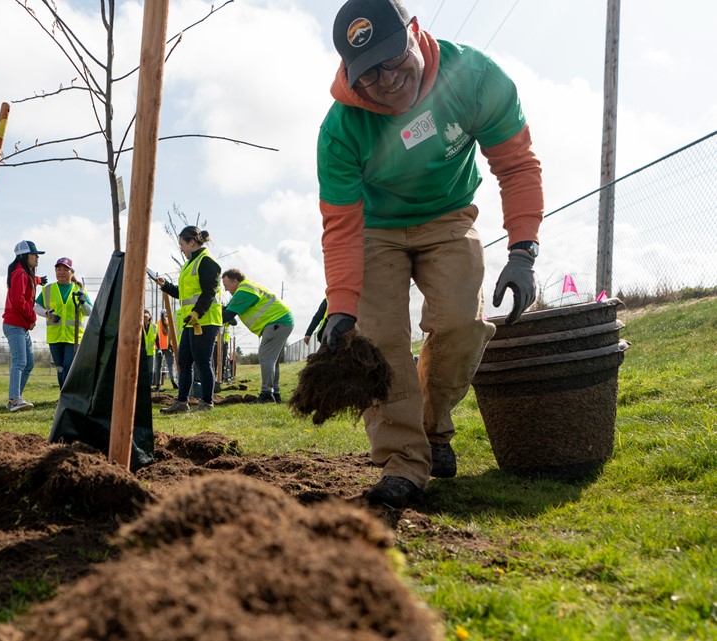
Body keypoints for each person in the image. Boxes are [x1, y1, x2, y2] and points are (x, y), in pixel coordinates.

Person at [318, 0, 543, 508]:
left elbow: (517, 165)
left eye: (392, 59)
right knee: (379, 342)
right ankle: (403, 463)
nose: (386, 79)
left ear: (415, 32)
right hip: (375, 231)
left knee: (462, 324)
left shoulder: (475, 79)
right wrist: (342, 307)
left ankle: (434, 430)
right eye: (368, 74)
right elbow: (341, 225)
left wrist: (523, 250)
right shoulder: (340, 129)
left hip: (449, 217)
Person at [155, 226, 223, 413]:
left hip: (205, 320)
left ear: (191, 242)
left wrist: (196, 314)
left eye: (181, 245)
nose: (181, 249)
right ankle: (181, 402)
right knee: (184, 361)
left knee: (202, 361)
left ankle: (206, 403)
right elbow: (184, 294)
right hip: (192, 321)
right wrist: (166, 286)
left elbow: (209, 292)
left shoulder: (208, 262)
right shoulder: (189, 264)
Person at [220, 269, 295, 403]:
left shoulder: (244, 291)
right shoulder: (248, 287)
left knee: (266, 357)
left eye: (226, 285)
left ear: (235, 281)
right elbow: (230, 315)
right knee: (272, 360)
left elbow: (226, 316)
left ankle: (267, 394)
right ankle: (274, 394)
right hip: (282, 321)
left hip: (276, 322)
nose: (225, 289)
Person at [35, 256, 93, 388]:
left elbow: (89, 312)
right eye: (58, 269)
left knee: (68, 367)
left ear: (71, 272)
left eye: (65, 269)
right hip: (55, 337)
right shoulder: (48, 289)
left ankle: (66, 396)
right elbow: (37, 307)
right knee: (60, 368)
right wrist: (47, 314)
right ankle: (64, 394)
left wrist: (83, 301)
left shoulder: (80, 290)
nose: (61, 272)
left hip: (73, 338)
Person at [3, 240, 47, 412]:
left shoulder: (24, 273)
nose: (37, 257)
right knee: (20, 361)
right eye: (34, 254)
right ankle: (14, 400)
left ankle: (15, 399)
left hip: (21, 326)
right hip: (15, 324)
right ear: (23, 256)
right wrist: (32, 317)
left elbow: (28, 281)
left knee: (28, 363)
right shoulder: (20, 273)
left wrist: (38, 280)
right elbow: (18, 299)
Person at [153, 311, 176, 391]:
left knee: (158, 366)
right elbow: (172, 336)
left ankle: (158, 384)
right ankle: (173, 381)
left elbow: (154, 336)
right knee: (170, 365)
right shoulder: (170, 324)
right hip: (168, 347)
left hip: (159, 348)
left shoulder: (157, 324)